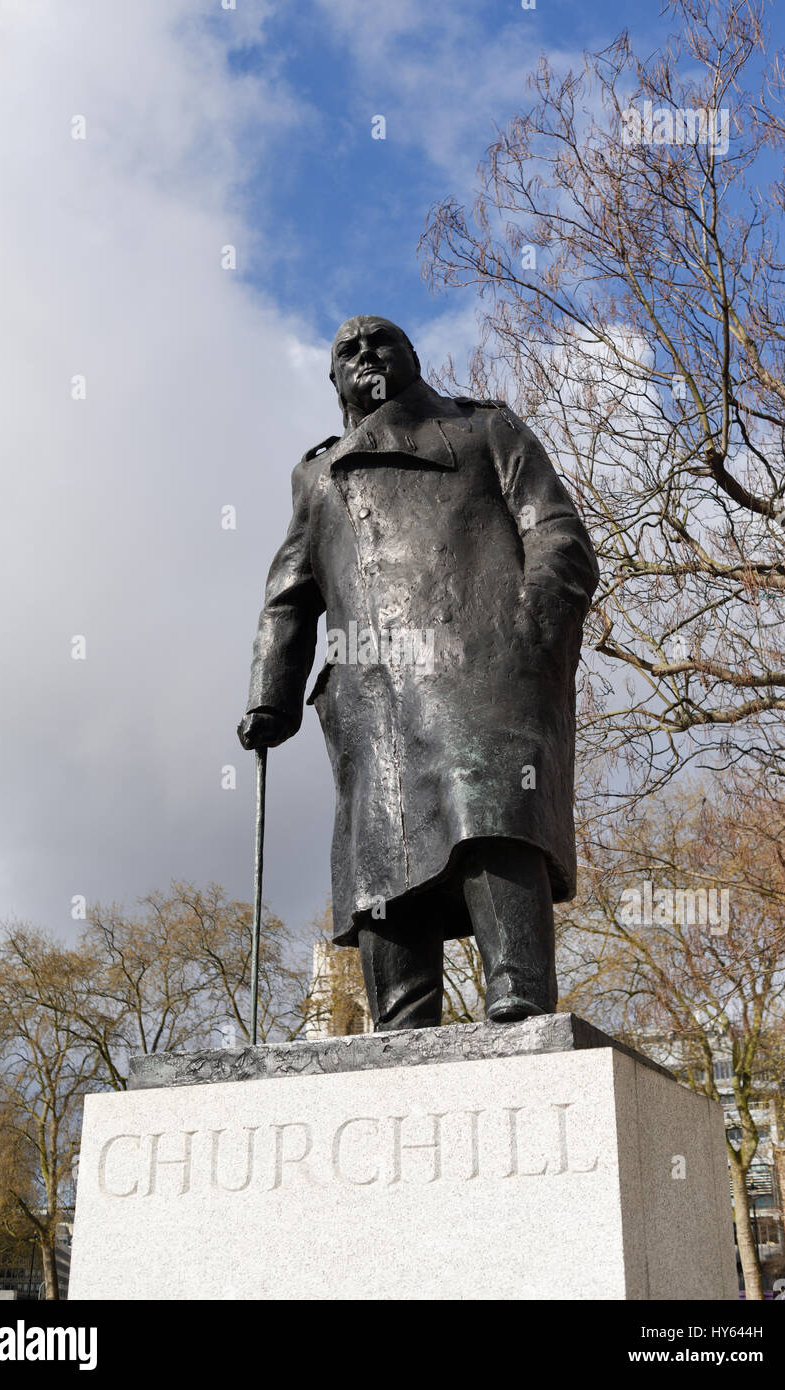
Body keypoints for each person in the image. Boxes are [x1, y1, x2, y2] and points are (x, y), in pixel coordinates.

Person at [239, 315, 598, 1031]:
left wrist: (531, 633)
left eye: (383, 341)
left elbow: (558, 535)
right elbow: (289, 595)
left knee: (490, 814)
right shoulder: (317, 474)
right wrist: (270, 695)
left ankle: (518, 994)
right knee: (381, 865)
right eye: (348, 349)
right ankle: (400, 1033)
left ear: (413, 357)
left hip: (485, 666)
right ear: (334, 377)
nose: (366, 353)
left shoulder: (484, 431)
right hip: (372, 695)